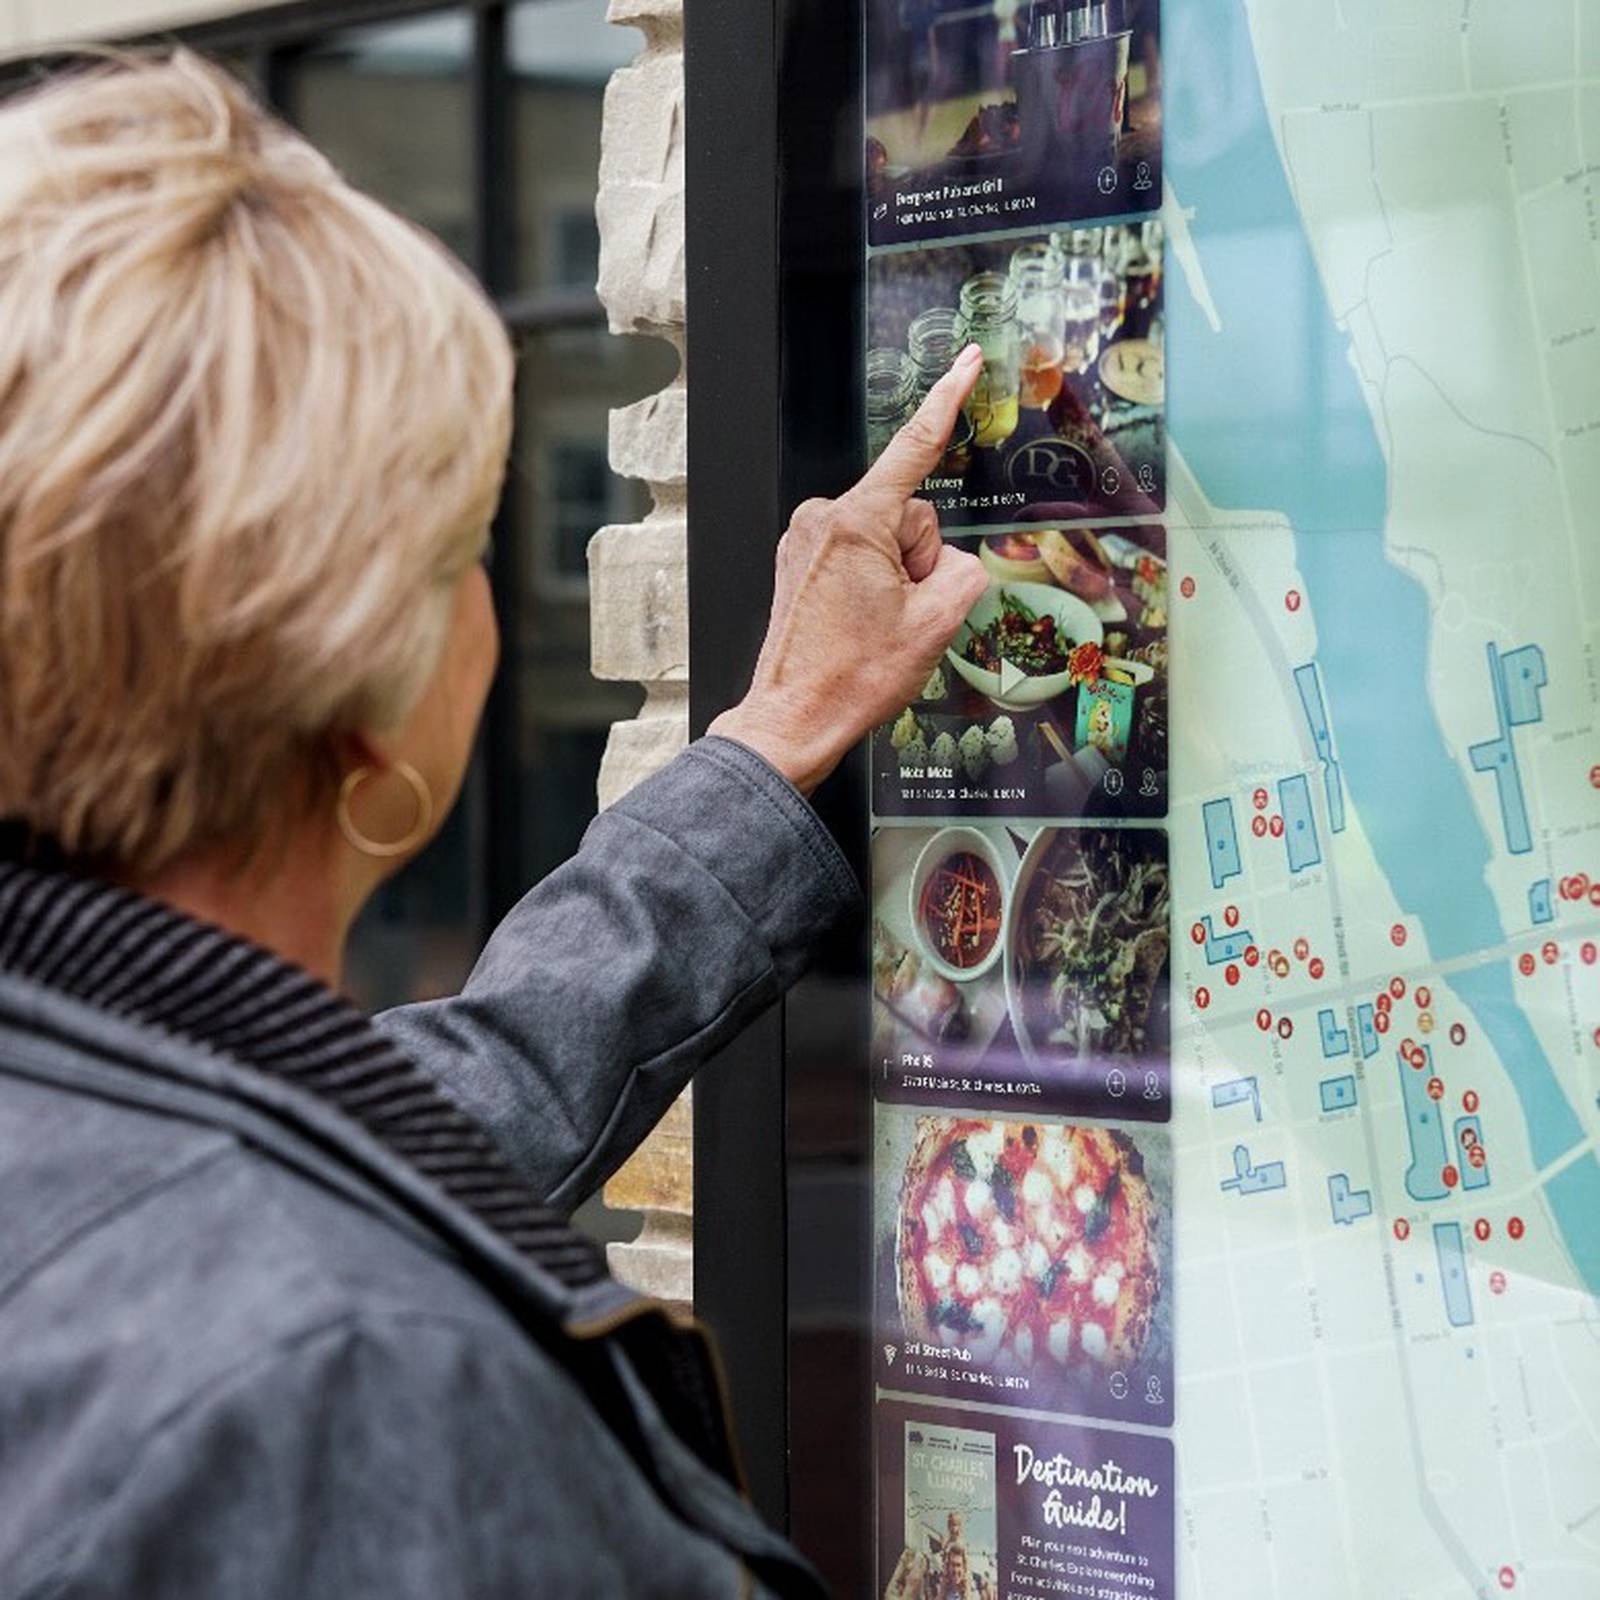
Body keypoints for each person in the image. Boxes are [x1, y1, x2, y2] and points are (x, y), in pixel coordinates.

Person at [0, 50, 987, 1600]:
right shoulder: (361, 1398)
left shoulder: (85, 1098)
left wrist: (768, 741)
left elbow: (385, 1111)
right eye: (469, 538)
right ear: (377, 703)